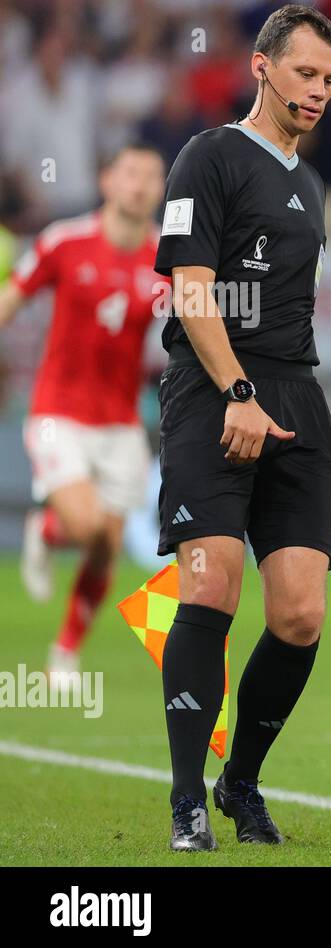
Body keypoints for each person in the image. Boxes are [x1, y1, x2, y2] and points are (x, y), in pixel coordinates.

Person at [152, 4, 331, 851]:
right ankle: (188, 799)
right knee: (211, 585)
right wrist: (235, 390)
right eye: (306, 73)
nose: (319, 92)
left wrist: (274, 395)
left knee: (300, 615)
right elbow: (190, 289)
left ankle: (242, 783)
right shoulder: (209, 156)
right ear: (263, 66)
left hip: (295, 394)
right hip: (214, 388)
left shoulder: (310, 179)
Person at [0, 144, 166, 685]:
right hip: (57, 413)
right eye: (130, 173)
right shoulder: (64, 241)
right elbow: (13, 296)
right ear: (107, 181)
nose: (140, 184)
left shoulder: (166, 258)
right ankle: (48, 528)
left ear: (161, 190)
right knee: (86, 524)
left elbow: (189, 328)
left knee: (105, 546)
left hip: (120, 424)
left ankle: (66, 650)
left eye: (151, 176)